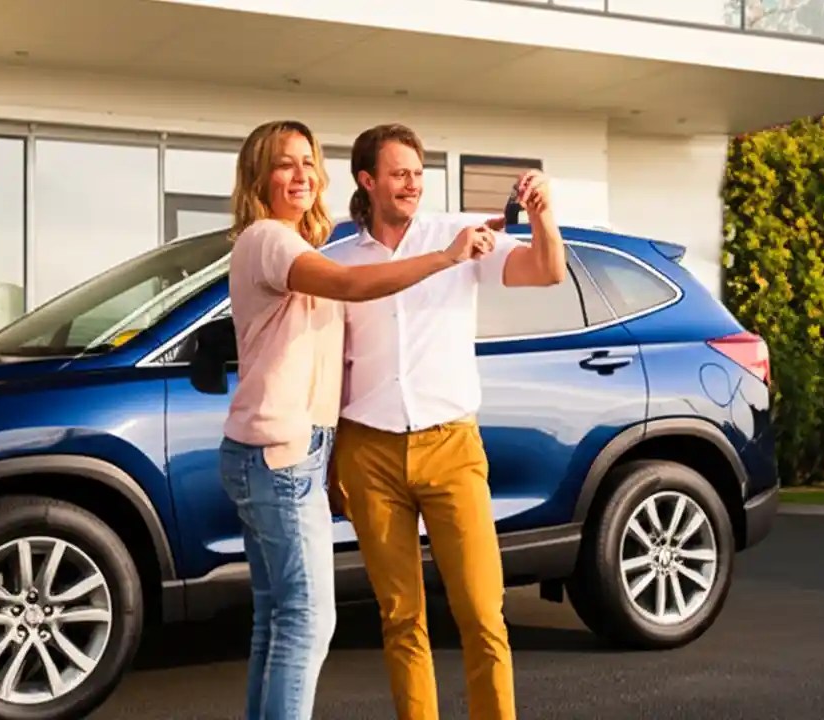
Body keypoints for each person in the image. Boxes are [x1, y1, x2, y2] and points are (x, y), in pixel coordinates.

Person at [218, 119, 495, 720]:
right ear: (257, 176)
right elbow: (349, 284)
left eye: (307, 162)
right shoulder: (271, 240)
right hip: (280, 451)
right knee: (308, 621)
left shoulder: (288, 241)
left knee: (277, 620)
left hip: (282, 450)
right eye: (284, 164)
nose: (300, 175)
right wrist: (445, 256)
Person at [322, 123, 566, 720]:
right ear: (367, 180)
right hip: (369, 452)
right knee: (401, 617)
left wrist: (543, 214)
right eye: (398, 173)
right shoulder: (341, 261)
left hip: (451, 447)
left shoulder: (461, 237)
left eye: (417, 173)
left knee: (483, 612)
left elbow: (547, 270)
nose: (411, 185)